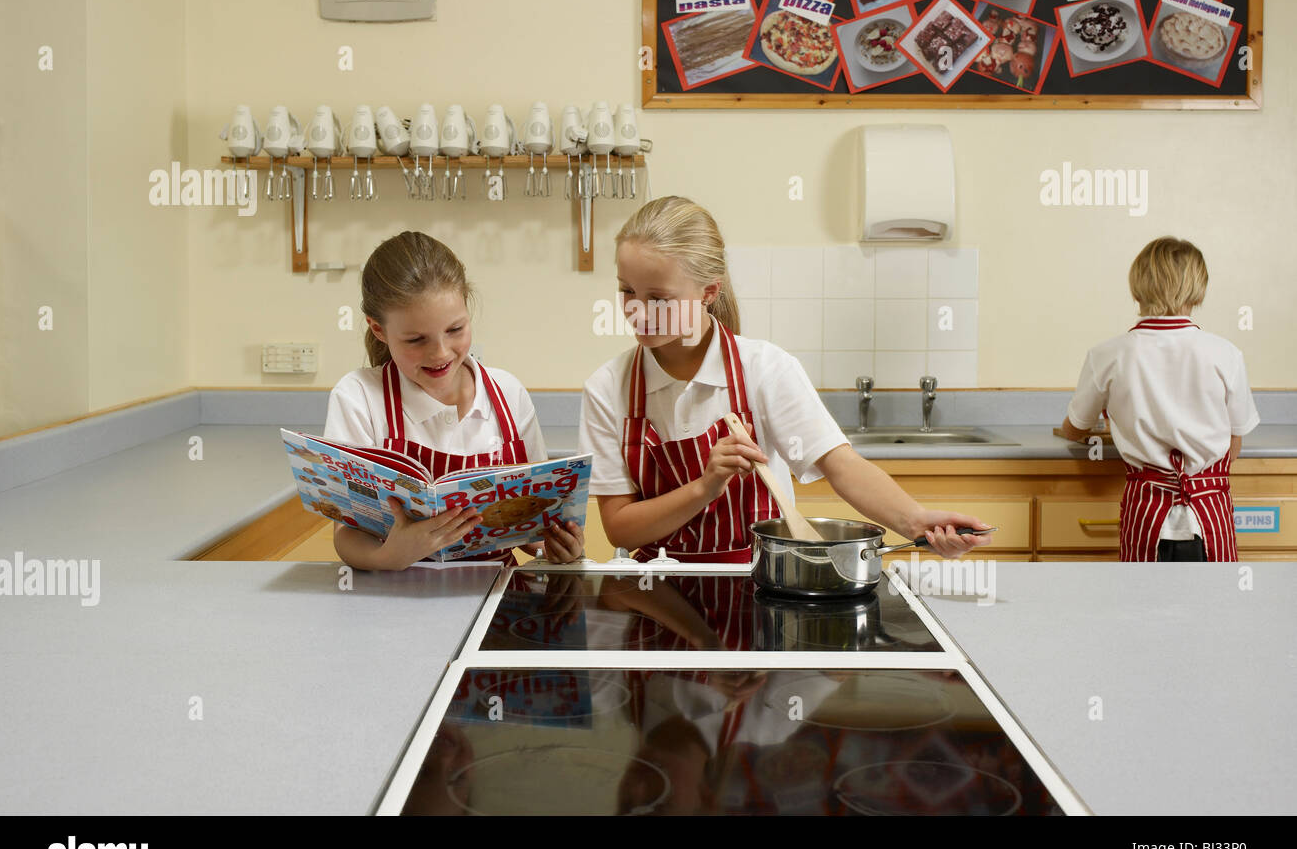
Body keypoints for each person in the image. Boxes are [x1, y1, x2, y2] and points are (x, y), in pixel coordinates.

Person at [577, 196, 994, 563]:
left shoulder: (765, 369)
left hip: (760, 584)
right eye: (627, 290)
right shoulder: (608, 388)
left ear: (708, 292)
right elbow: (620, 529)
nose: (638, 311)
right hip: (656, 594)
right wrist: (706, 486)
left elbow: (842, 467)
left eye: (659, 298)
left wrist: (916, 520)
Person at [323, 230, 583, 570]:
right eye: (416, 339)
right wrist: (391, 556)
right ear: (379, 330)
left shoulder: (507, 393)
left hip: (497, 597)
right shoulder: (358, 397)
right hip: (394, 597)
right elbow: (347, 534)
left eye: (455, 330)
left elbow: (533, 527)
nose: (441, 353)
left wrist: (554, 547)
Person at [1059, 237, 1259, 562]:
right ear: (1199, 291)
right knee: (1216, 608)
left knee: (1144, 608)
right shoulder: (1226, 354)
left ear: (1136, 290)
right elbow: (1234, 445)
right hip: (1209, 511)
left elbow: (1074, 429)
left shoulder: (1107, 354)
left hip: (1147, 511)